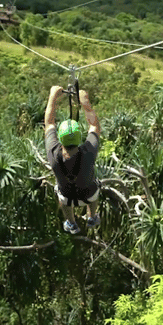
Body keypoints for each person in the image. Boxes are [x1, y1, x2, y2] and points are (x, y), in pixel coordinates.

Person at [44, 85, 102, 234]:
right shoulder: (88, 152)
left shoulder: (53, 152)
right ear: (79, 139)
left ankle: (71, 223)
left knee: (61, 194)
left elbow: (49, 123)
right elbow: (94, 126)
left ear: (60, 140)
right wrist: (85, 102)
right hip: (89, 195)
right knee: (95, 186)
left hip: (67, 197)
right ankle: (92, 217)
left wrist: (53, 96)